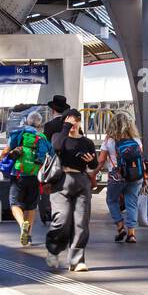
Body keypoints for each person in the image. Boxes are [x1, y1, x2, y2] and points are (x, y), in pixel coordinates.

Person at [46, 108, 96, 272]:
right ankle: (53, 250)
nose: (73, 123)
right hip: (61, 181)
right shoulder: (59, 138)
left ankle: (77, 260)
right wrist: (66, 128)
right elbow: (56, 146)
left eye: (76, 120)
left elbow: (94, 165)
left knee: (81, 222)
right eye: (69, 120)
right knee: (62, 219)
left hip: (81, 181)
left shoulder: (87, 142)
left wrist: (91, 162)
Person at [2, 110, 52, 246]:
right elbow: (51, 155)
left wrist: (1, 160)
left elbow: (7, 150)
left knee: (14, 204)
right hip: (35, 176)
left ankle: (21, 224)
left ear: (26, 121)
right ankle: (28, 236)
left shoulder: (19, 134)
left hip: (18, 174)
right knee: (31, 206)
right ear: (39, 123)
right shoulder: (42, 138)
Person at [98, 111, 145, 244]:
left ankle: (120, 226)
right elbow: (140, 157)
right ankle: (131, 233)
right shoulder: (136, 139)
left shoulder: (109, 140)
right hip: (135, 175)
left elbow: (101, 160)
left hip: (117, 176)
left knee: (112, 200)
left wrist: (94, 172)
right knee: (131, 203)